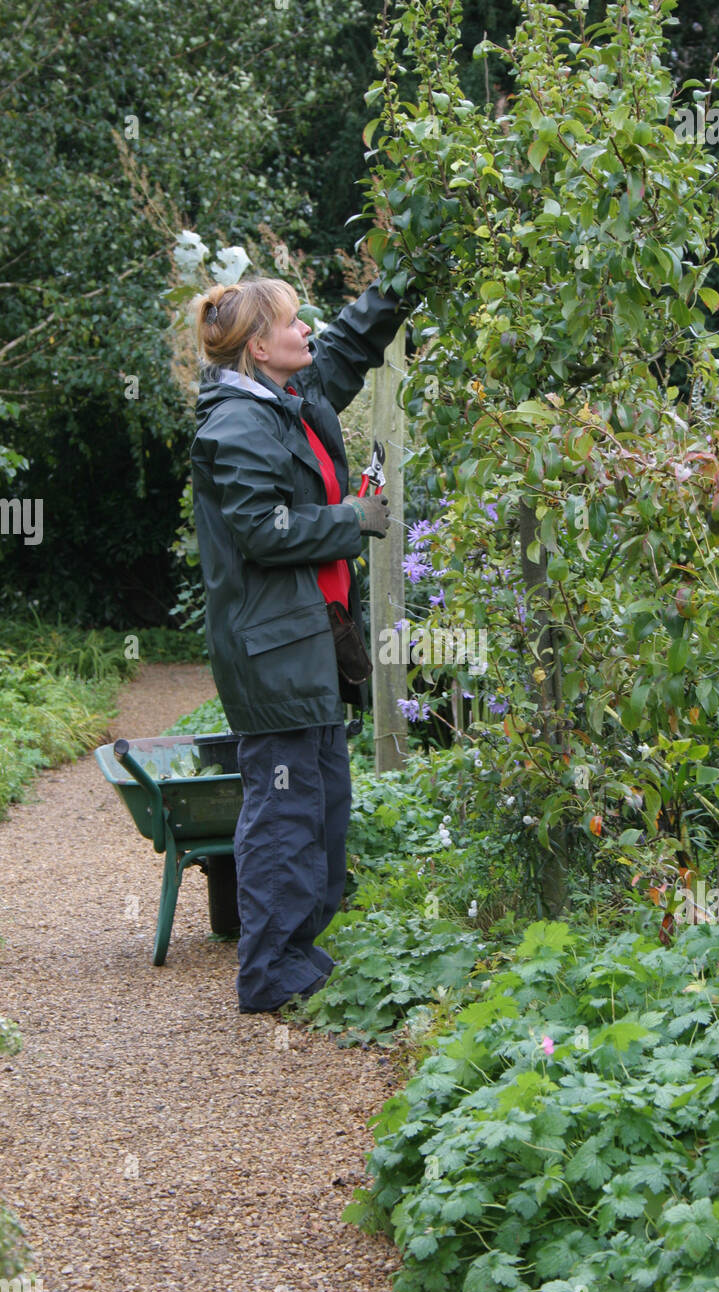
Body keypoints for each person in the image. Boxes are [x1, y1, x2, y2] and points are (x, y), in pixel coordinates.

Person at [189, 276, 411, 1013]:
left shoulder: (283, 400)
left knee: (321, 804)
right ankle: (269, 971)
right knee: (285, 811)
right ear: (258, 344)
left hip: (306, 641)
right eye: (291, 321)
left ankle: (299, 954)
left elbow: (343, 350)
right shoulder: (237, 426)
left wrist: (400, 285)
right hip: (273, 650)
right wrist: (352, 520)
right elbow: (262, 530)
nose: (306, 328)